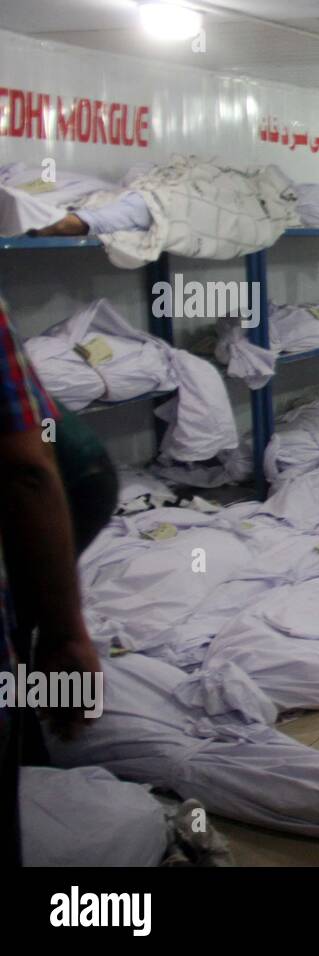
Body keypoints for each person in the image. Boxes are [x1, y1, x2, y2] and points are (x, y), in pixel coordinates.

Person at [0, 298, 104, 867]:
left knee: (25, 623)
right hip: (54, 474)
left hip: (76, 476)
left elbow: (27, 472)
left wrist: (65, 634)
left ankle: (36, 744)